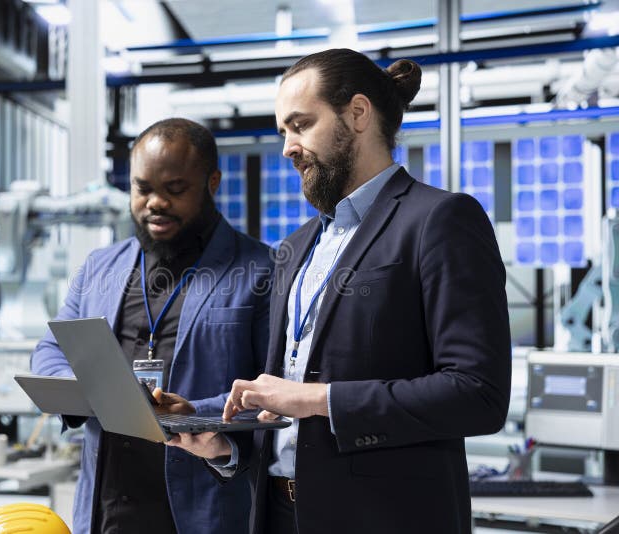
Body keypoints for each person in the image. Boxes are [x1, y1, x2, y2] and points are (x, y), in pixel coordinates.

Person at [170, 49, 512, 533]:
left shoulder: (439, 220)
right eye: (283, 132)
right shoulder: (297, 247)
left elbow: (478, 394)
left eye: (301, 125)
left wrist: (316, 399)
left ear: (357, 114)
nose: (288, 147)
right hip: (280, 515)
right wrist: (226, 445)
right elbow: (289, 407)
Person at [31, 118, 273, 534]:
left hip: (202, 512)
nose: (155, 202)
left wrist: (196, 414)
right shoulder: (99, 267)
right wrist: (80, 389)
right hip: (108, 508)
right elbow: (51, 349)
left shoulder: (259, 271)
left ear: (212, 182)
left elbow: (273, 387)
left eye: (175, 189)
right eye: (143, 189)